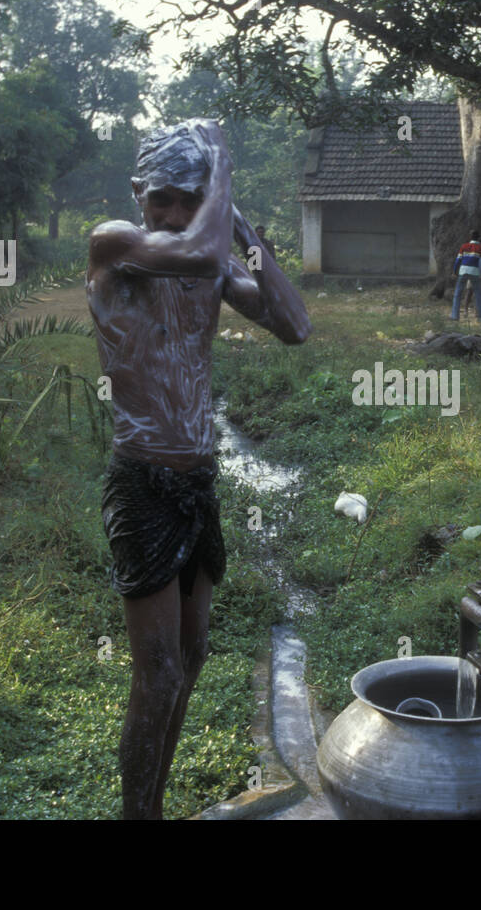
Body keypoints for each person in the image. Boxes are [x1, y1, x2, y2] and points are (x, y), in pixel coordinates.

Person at [86, 120, 311, 819]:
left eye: (190, 198)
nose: (176, 212)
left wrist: (249, 233)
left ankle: (151, 805)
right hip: (143, 481)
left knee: (191, 658)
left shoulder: (208, 258)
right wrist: (219, 168)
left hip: (198, 480)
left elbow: (294, 324)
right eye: (164, 197)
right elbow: (192, 247)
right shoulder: (116, 244)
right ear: (138, 195)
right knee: (155, 674)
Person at [451, 230, 481, 321]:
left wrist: (454, 271)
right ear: (478, 238)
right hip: (474, 272)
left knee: (457, 294)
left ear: (470, 237)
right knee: (479, 294)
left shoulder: (464, 246)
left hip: (463, 270)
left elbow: (458, 260)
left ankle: (454, 316)